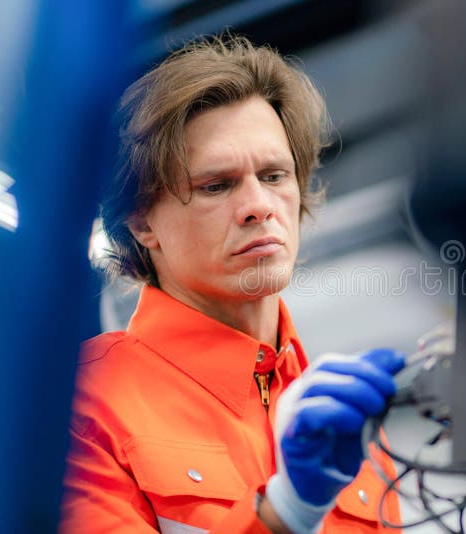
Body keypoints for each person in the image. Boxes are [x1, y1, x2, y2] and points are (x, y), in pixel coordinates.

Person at [60, 35, 404, 533]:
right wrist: (287, 510)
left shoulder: (343, 418)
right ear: (141, 221)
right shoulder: (84, 402)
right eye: (216, 185)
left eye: (274, 175)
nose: (258, 206)